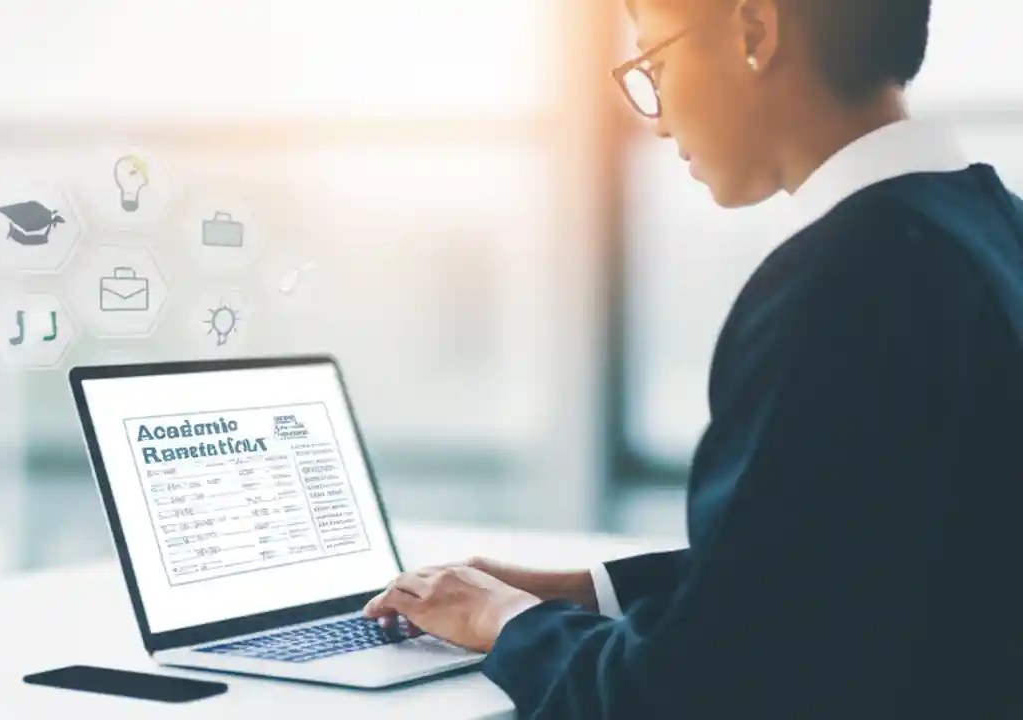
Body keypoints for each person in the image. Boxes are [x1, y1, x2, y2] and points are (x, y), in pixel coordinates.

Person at [363, 0, 1023, 716]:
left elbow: (685, 695)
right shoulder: (992, 229)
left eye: (657, 62)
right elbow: (847, 569)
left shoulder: (840, 284)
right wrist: (574, 590)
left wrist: (506, 623)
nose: (658, 119)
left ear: (754, 31)